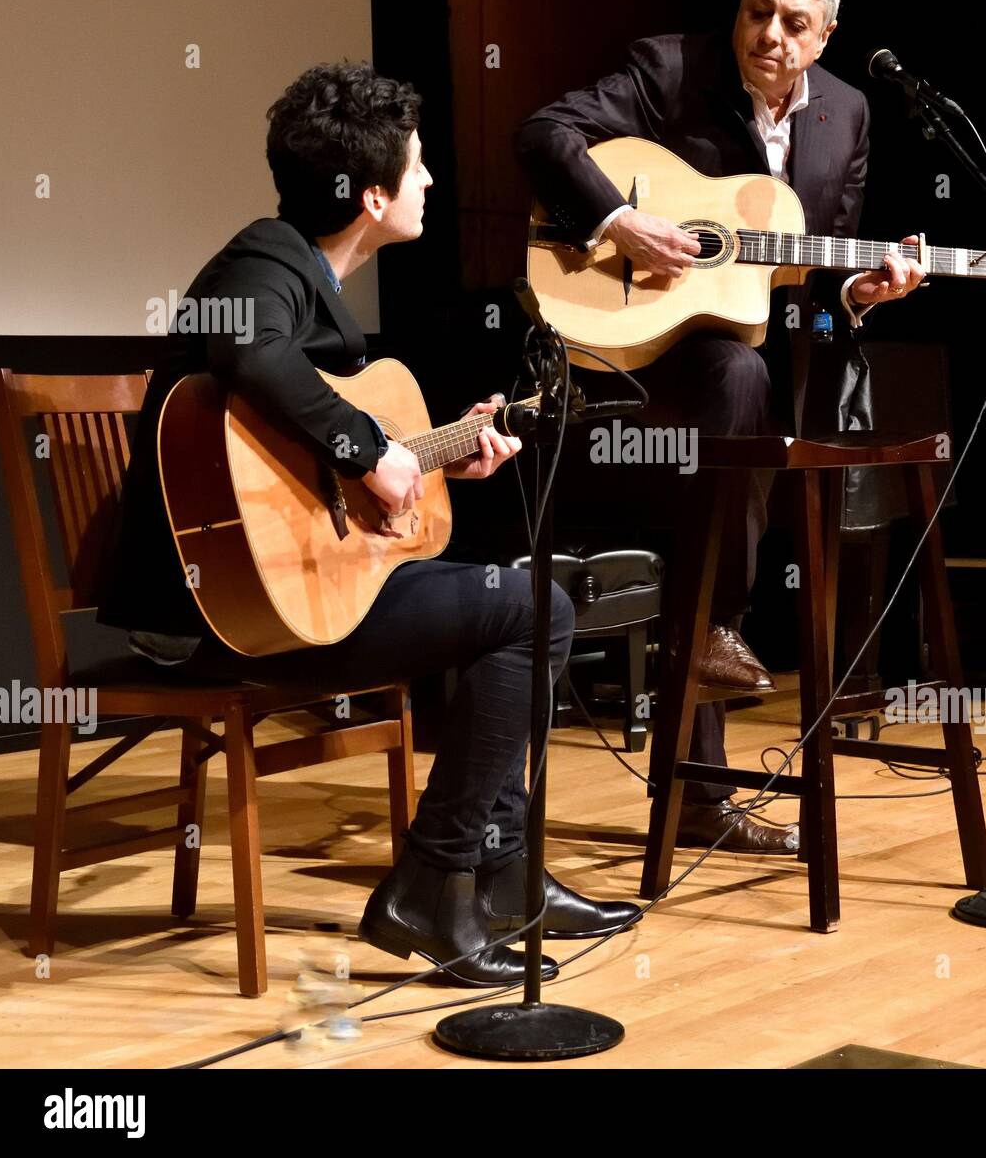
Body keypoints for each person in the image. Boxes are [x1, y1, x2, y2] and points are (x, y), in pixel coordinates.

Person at [97, 61, 639, 987]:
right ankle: (438, 878)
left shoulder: (313, 286)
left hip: (287, 596)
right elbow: (243, 345)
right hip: (221, 617)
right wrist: (367, 448)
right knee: (530, 609)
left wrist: (440, 450)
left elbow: (332, 447)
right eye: (419, 166)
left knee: (529, 599)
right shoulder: (261, 259)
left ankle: (497, 869)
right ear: (374, 193)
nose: (431, 181)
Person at [516, 0, 926, 852]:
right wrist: (620, 219)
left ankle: (701, 747)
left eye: (793, 23)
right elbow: (543, 133)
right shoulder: (670, 68)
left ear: (825, 36)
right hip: (623, 370)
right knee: (742, 383)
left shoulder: (849, 116)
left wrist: (863, 292)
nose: (768, 36)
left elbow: (817, 282)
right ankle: (720, 628)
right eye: (756, 13)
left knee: (756, 397)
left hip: (735, 381)